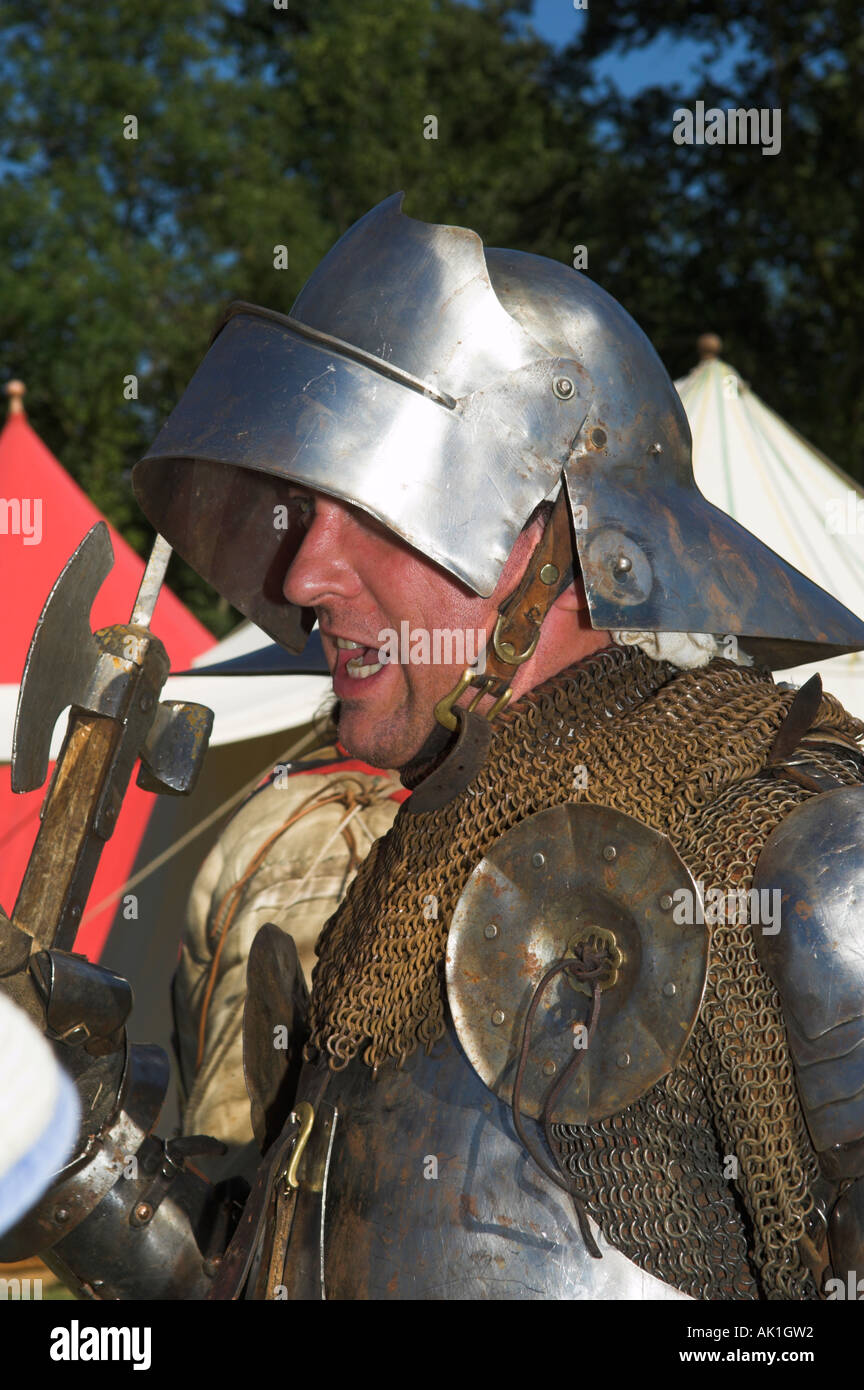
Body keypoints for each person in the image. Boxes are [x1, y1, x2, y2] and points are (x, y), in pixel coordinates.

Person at [5, 193, 864, 1300]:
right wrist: (72, 1149)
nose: (304, 577)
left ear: (546, 536)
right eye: (308, 513)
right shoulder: (419, 861)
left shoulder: (787, 845)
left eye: (369, 511)